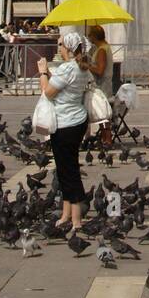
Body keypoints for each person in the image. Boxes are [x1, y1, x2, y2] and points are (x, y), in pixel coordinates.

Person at [36, 31, 92, 229]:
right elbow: (65, 86)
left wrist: (43, 72)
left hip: (66, 124)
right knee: (64, 169)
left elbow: (48, 93)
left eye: (60, 44)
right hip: (77, 121)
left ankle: (76, 219)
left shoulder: (68, 68)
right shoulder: (80, 67)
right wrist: (51, 74)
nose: (58, 47)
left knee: (69, 171)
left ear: (68, 48)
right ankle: (66, 214)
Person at [87, 24, 114, 98]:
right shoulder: (103, 47)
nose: (88, 38)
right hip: (104, 86)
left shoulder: (102, 50)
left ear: (94, 36)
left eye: (89, 35)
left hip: (102, 88)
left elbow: (100, 71)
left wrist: (88, 66)